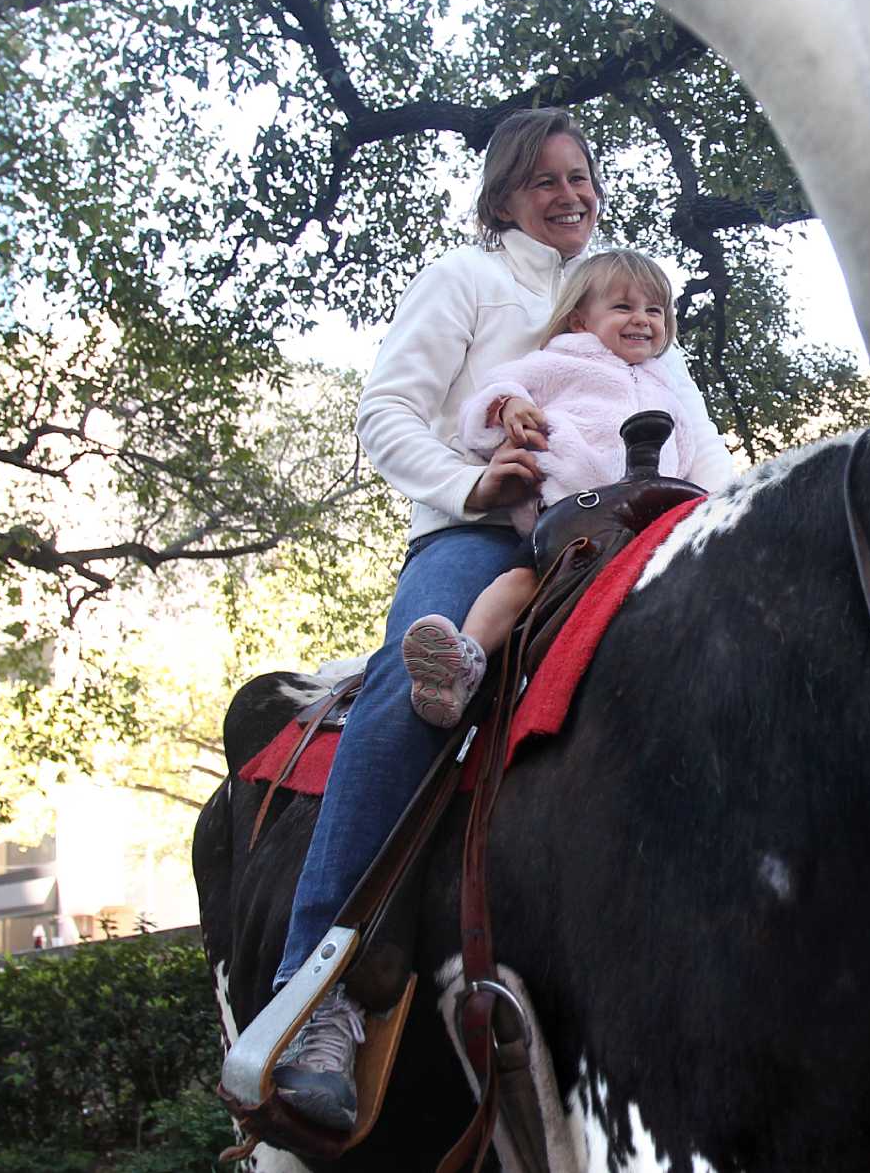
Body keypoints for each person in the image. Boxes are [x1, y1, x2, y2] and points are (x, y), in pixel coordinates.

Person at [257, 108, 625, 1133]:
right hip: (482, 541)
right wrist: (472, 483)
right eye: (545, 180)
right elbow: (384, 414)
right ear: (503, 195)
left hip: (609, 529)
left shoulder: (623, 289)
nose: (570, 195)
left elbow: (680, 417)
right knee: (407, 690)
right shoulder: (464, 281)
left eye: (581, 176)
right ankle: (311, 999)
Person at [399, 247, 736, 725]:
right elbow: (497, 388)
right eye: (622, 307)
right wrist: (509, 406)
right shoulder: (561, 360)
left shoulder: (665, 380)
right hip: (571, 516)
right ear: (580, 321)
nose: (641, 319)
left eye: (654, 310)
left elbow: (691, 456)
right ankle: (465, 660)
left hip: (649, 527)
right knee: (519, 582)